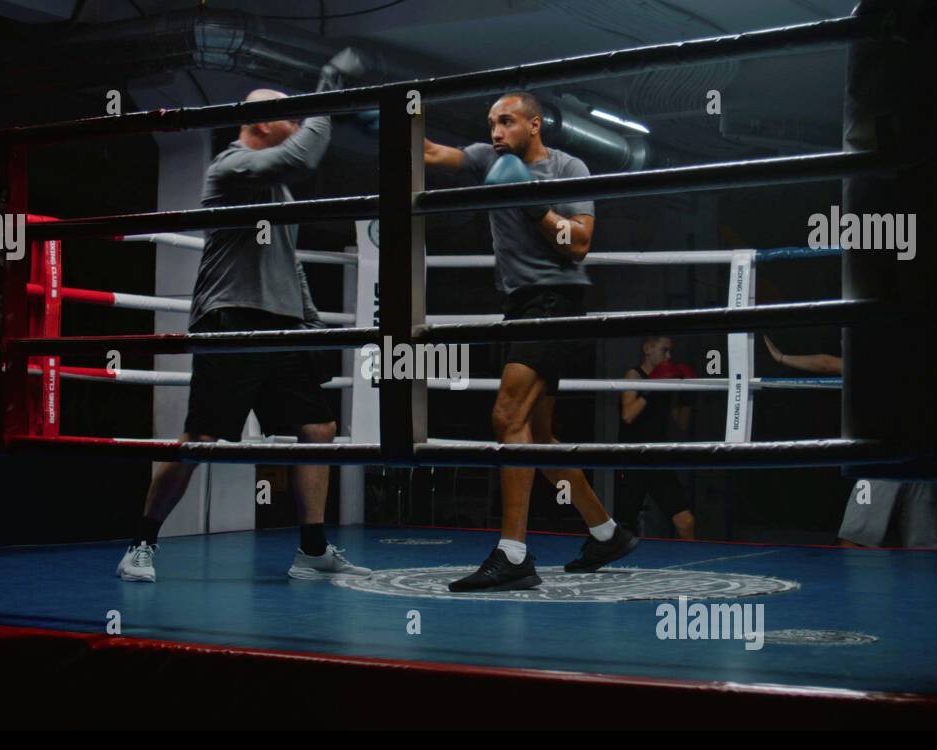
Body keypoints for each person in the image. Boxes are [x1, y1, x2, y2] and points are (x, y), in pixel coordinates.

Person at [118, 52, 374, 583]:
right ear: (261, 123)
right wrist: (325, 86)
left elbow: (288, 261)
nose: (300, 124)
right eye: (292, 115)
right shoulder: (233, 166)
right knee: (202, 438)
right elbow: (303, 157)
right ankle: (142, 542)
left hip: (282, 324)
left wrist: (309, 321)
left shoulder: (276, 188)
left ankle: (311, 550)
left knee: (319, 428)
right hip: (230, 319)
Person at [423, 91, 636, 592]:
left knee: (506, 417)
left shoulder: (568, 168)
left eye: (507, 122)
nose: (496, 132)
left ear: (534, 125)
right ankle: (606, 533)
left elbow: (578, 246)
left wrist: (532, 202)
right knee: (537, 436)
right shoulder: (489, 158)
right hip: (520, 307)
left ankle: (512, 554)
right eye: (491, 123)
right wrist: (391, 121)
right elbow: (432, 153)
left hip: (556, 303)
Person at [763, 334, 937, 548]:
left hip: (883, 460)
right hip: (925, 457)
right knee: (922, 541)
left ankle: (859, 581)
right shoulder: (912, 360)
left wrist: (782, 357)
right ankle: (927, 582)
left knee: (854, 535)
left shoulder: (872, 362)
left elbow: (825, 363)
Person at [617, 335, 696, 540]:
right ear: (647, 348)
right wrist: (652, 387)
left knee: (686, 522)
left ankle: (693, 569)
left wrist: (688, 398)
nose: (668, 356)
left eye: (671, 351)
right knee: (625, 530)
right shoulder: (633, 375)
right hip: (632, 461)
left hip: (657, 460)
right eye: (664, 350)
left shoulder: (667, 378)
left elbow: (681, 423)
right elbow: (628, 415)